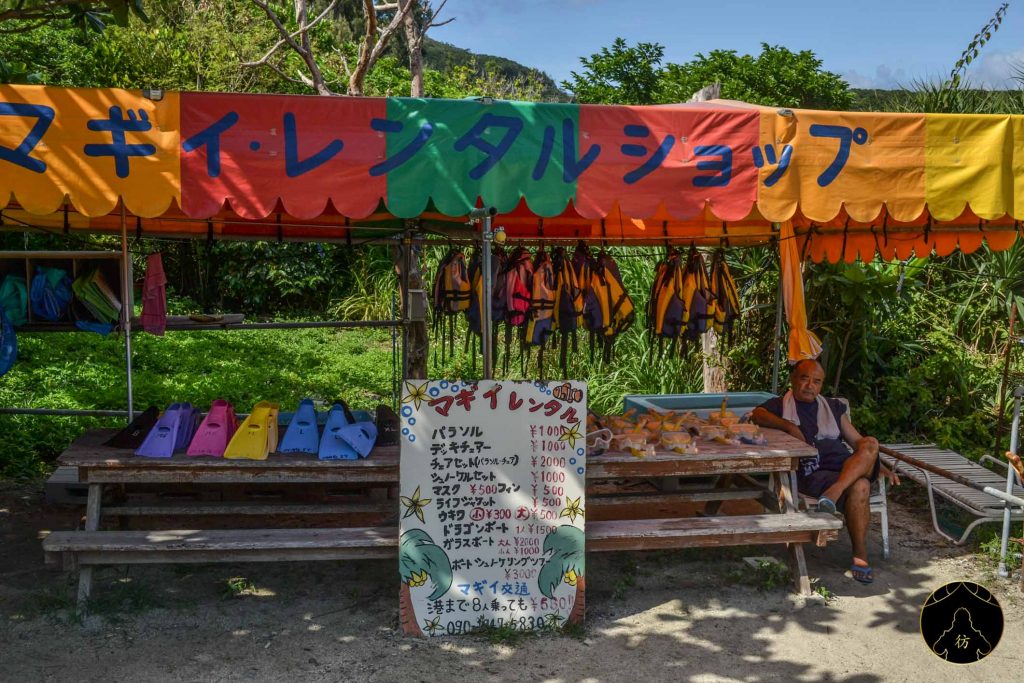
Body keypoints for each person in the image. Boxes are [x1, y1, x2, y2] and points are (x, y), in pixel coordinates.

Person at [751, 358, 899, 584]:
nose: (810, 385)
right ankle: (860, 555)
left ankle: (835, 492)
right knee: (861, 485)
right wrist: (789, 426)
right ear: (793, 379)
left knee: (870, 443)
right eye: (804, 379)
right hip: (813, 471)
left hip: (845, 467)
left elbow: (857, 441)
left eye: (816, 381)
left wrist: (879, 465)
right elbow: (757, 414)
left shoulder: (832, 407)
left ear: (821, 385)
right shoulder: (781, 405)